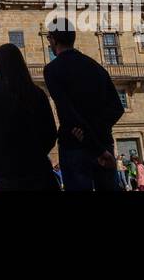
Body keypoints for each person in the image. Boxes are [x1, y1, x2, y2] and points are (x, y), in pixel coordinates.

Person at [41, 21, 123, 191]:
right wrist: (98, 133)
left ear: (54, 40)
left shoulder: (52, 70)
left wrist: (89, 140)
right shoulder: (96, 67)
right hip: (103, 143)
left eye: (49, 37)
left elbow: (67, 112)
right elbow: (117, 107)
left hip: (75, 146)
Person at [0, 42, 60, 190]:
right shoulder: (37, 93)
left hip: (3, 173)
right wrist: (36, 155)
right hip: (37, 172)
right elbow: (50, 132)